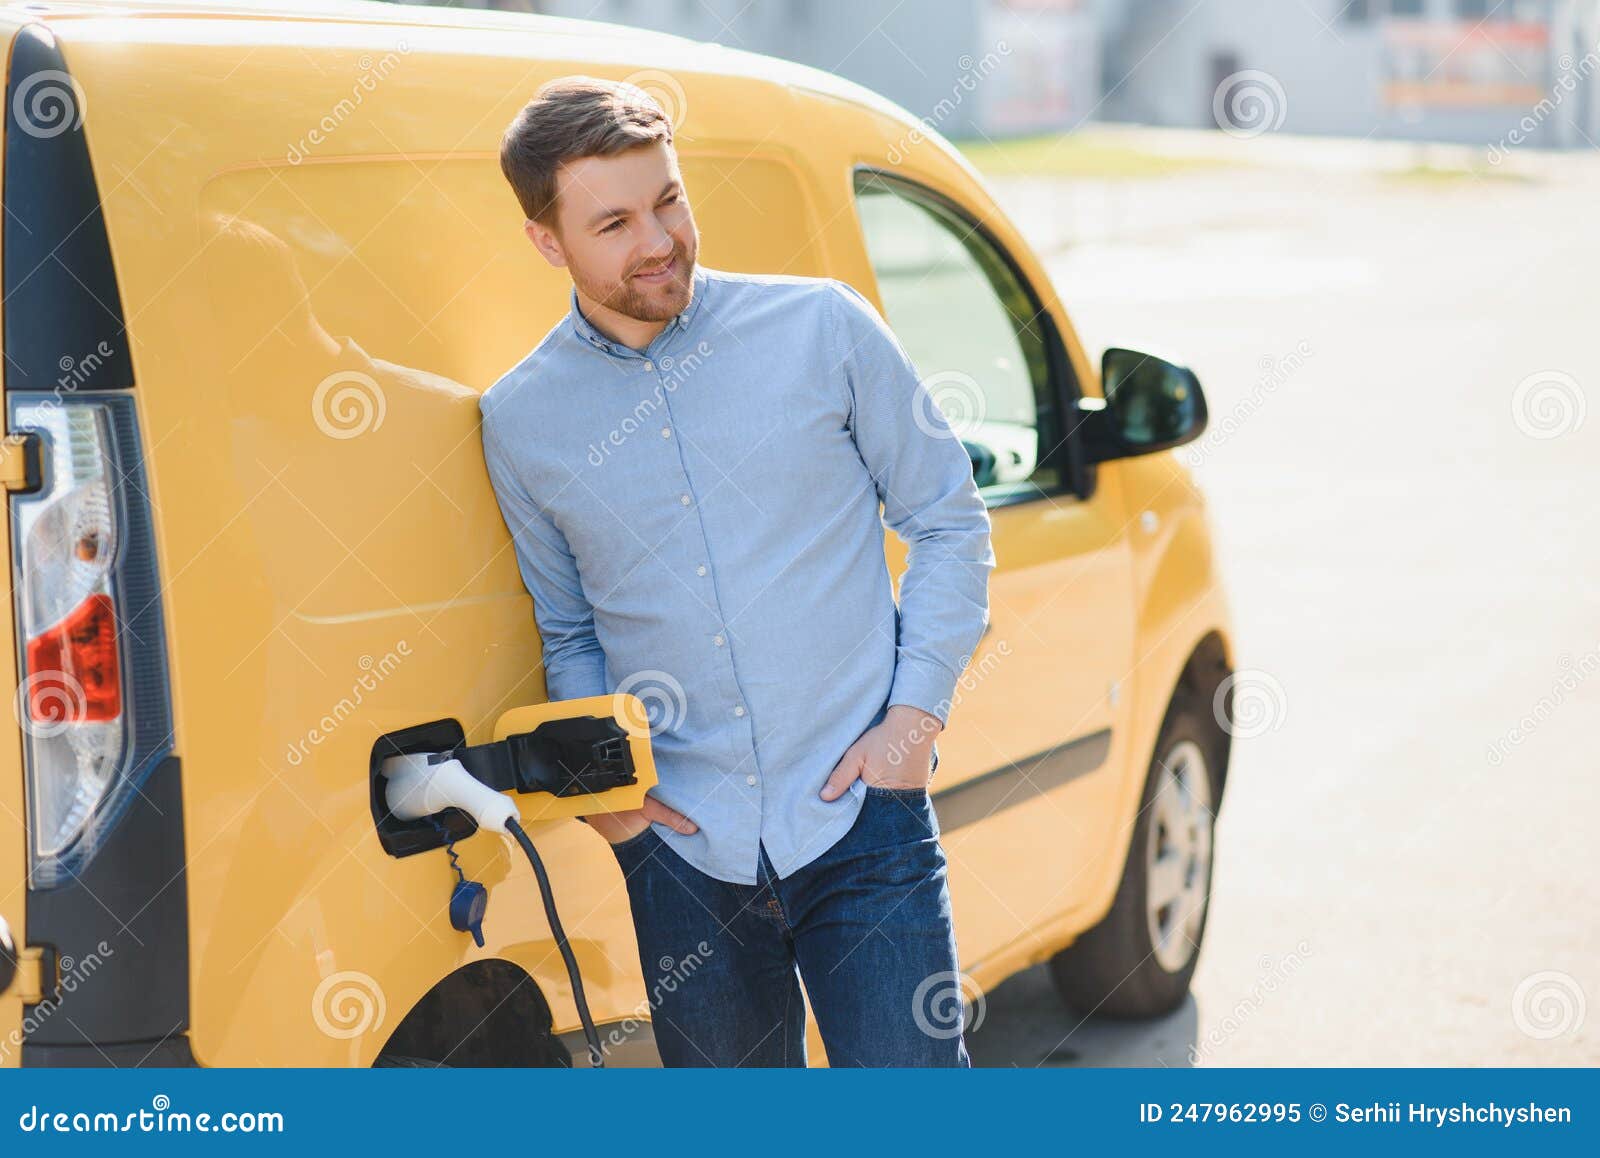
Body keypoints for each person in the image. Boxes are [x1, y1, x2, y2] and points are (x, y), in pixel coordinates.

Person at [481, 76, 994, 1067]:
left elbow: (945, 517)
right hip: (679, 849)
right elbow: (570, 627)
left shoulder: (823, 330)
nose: (659, 239)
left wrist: (912, 725)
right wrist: (613, 802)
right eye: (616, 221)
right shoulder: (522, 418)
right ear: (550, 243)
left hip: (861, 821)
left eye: (668, 199)